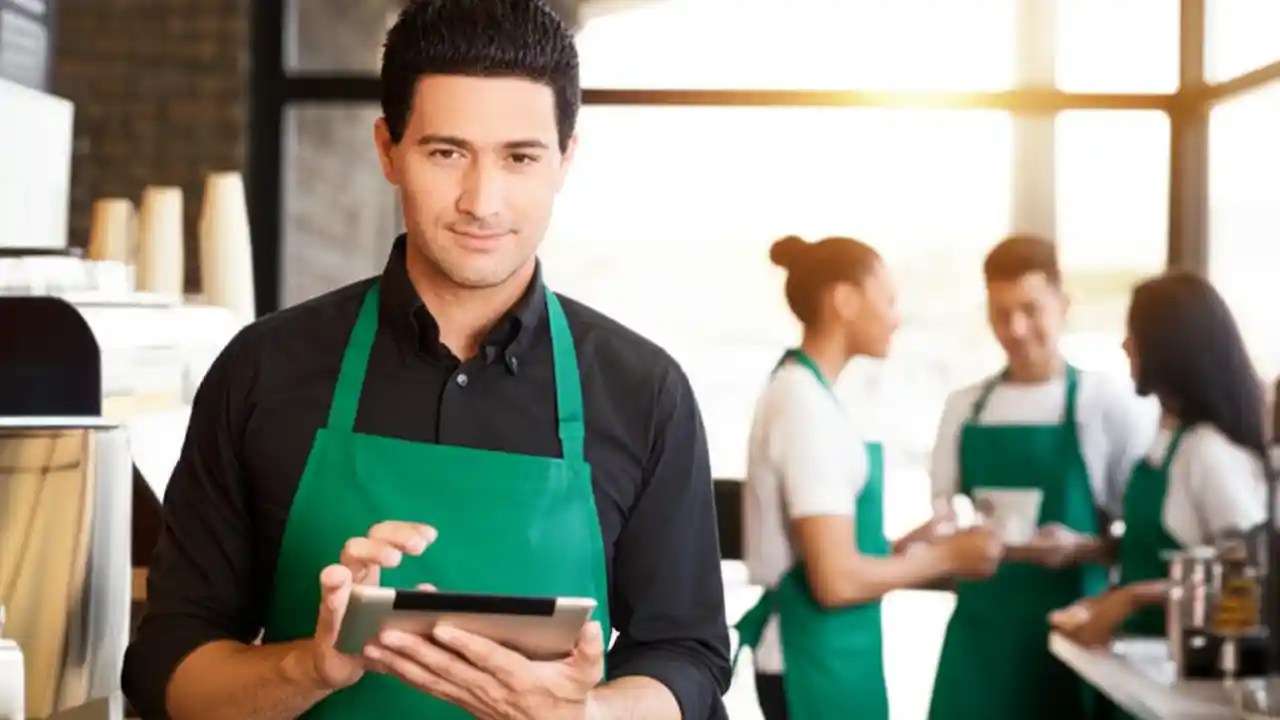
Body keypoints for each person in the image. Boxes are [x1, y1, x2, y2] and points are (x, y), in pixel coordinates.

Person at [120, 2, 731, 718]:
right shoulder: (262, 370)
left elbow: (685, 656)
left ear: (566, 158)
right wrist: (310, 667)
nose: (483, 200)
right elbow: (169, 665)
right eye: (447, 152)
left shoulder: (644, 392)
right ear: (388, 149)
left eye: (520, 156)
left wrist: (583, 714)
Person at [735, 235, 1004, 720]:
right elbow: (835, 579)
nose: (896, 317)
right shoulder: (803, 407)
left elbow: (832, 550)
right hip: (810, 660)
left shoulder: (812, 395)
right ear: (844, 300)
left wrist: (907, 546)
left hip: (834, 654)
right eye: (889, 299)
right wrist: (949, 555)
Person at [922, 236, 1158, 720]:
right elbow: (942, 518)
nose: (1016, 329)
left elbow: (1138, 540)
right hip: (979, 641)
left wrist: (1081, 548)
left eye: (1031, 309)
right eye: (1000, 313)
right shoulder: (964, 408)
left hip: (1071, 636)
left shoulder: (1104, 403)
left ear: (1063, 305)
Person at [1050, 271, 1270, 649]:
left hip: (1186, 686)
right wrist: (1101, 586)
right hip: (1142, 674)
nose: (1124, 345)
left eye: (1134, 334)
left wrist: (1130, 599)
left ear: (1169, 346)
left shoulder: (1209, 452)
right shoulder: (1170, 439)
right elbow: (1164, 554)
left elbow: (1249, 577)